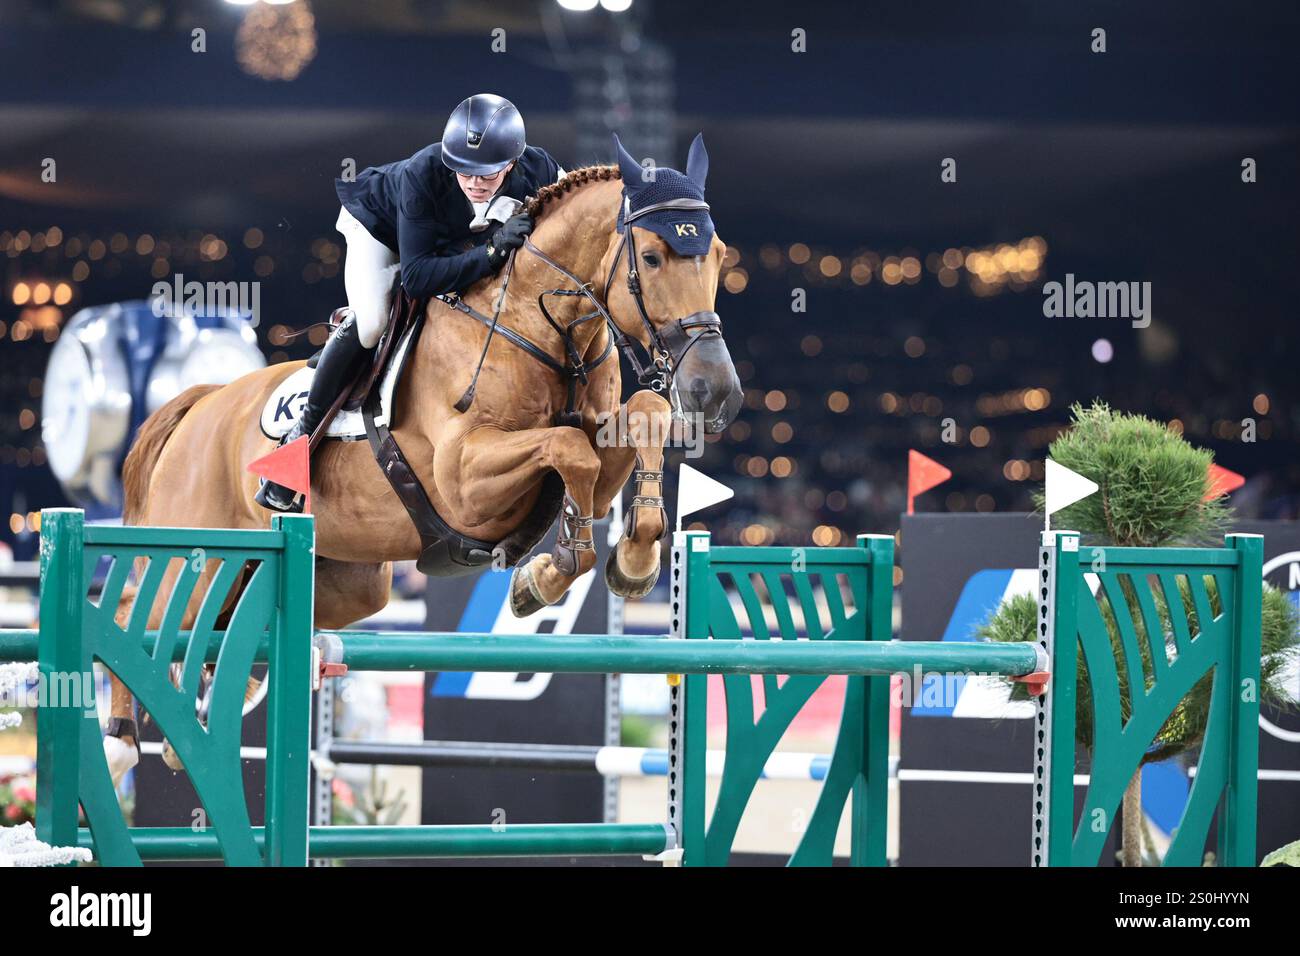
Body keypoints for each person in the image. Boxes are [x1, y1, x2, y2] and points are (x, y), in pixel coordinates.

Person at [257, 93, 565, 511]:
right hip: (380, 231)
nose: (474, 182)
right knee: (372, 322)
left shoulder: (542, 170)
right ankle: (299, 442)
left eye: (487, 174)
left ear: (512, 163)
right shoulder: (423, 175)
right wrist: (492, 252)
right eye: (464, 171)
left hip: (451, 243)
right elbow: (418, 277)